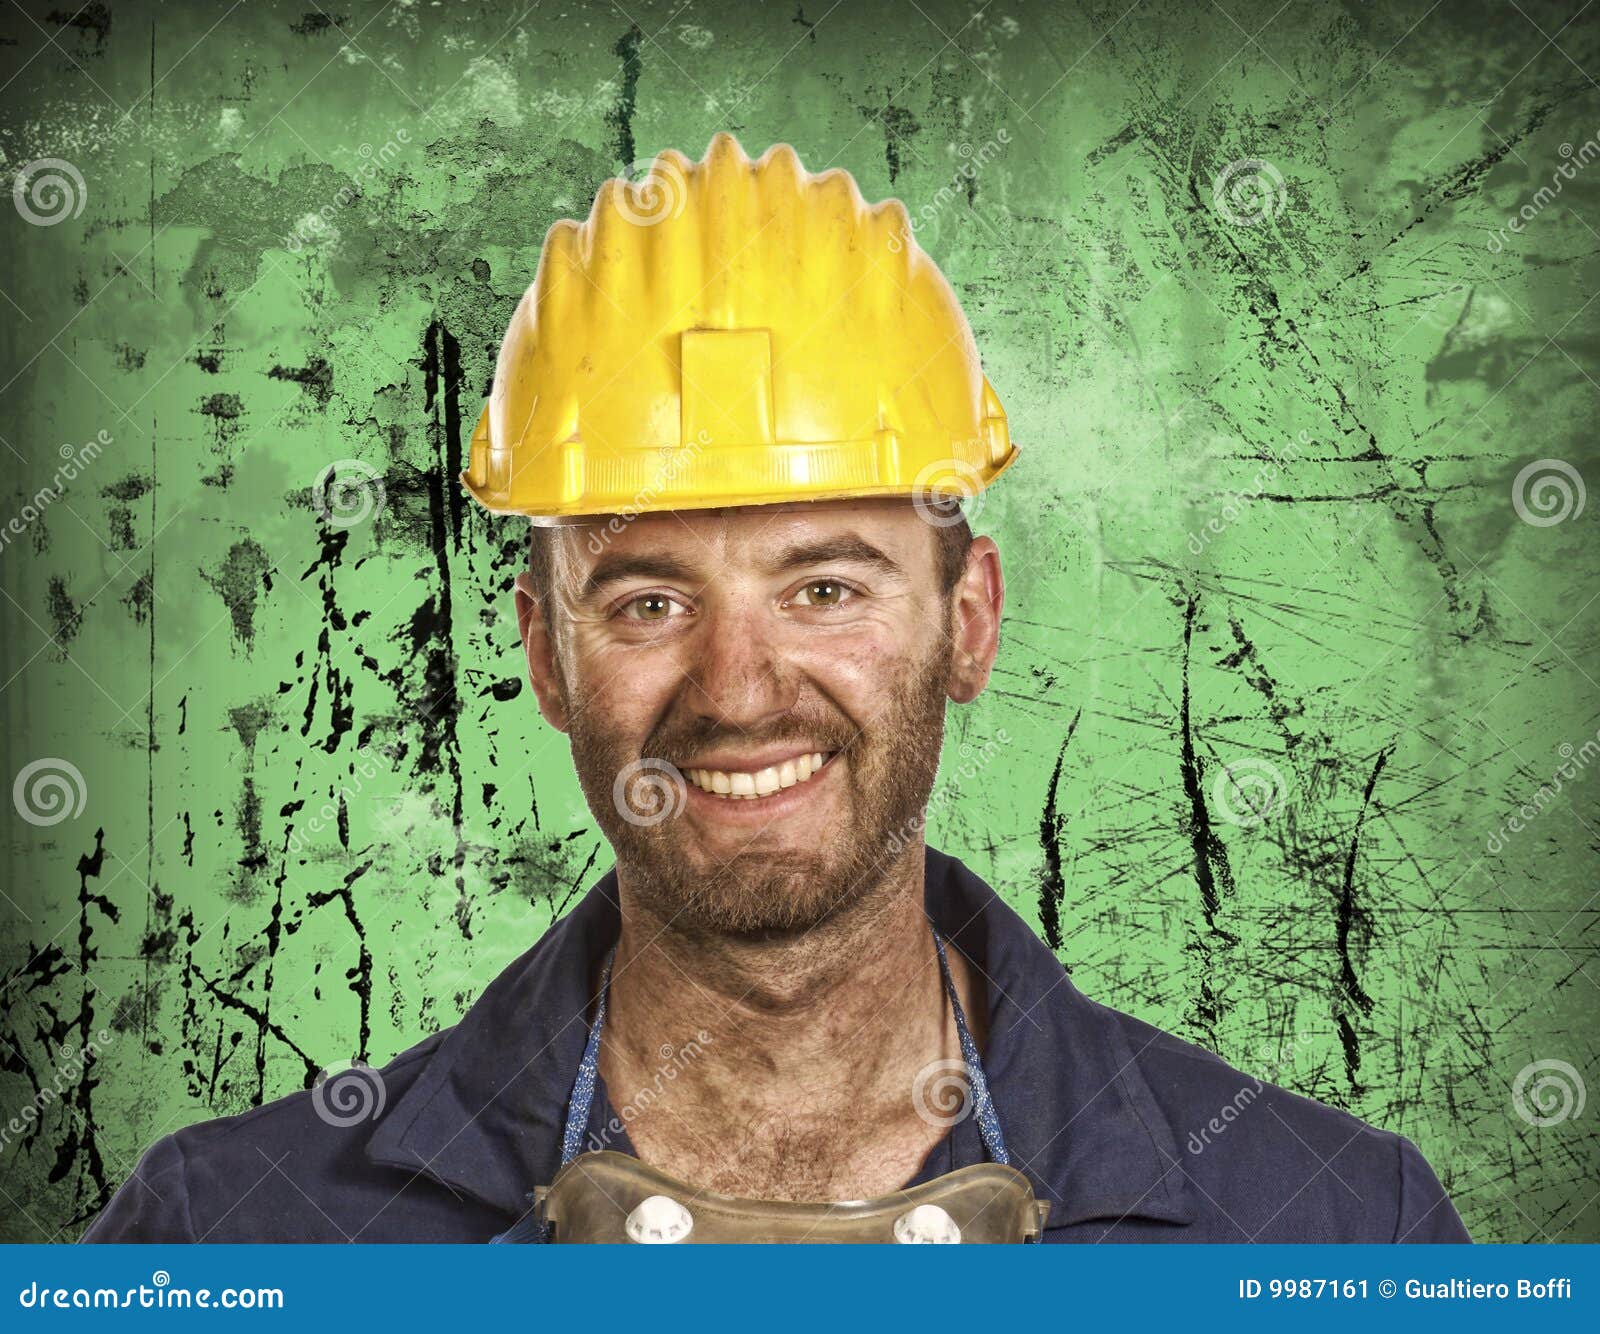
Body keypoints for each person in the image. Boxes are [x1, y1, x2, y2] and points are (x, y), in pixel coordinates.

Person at [83, 134, 1468, 1244]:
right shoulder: (235, 1240)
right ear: (546, 654)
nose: (740, 692)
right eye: (649, 600)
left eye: (826, 587)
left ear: (969, 622)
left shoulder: (1332, 1233)